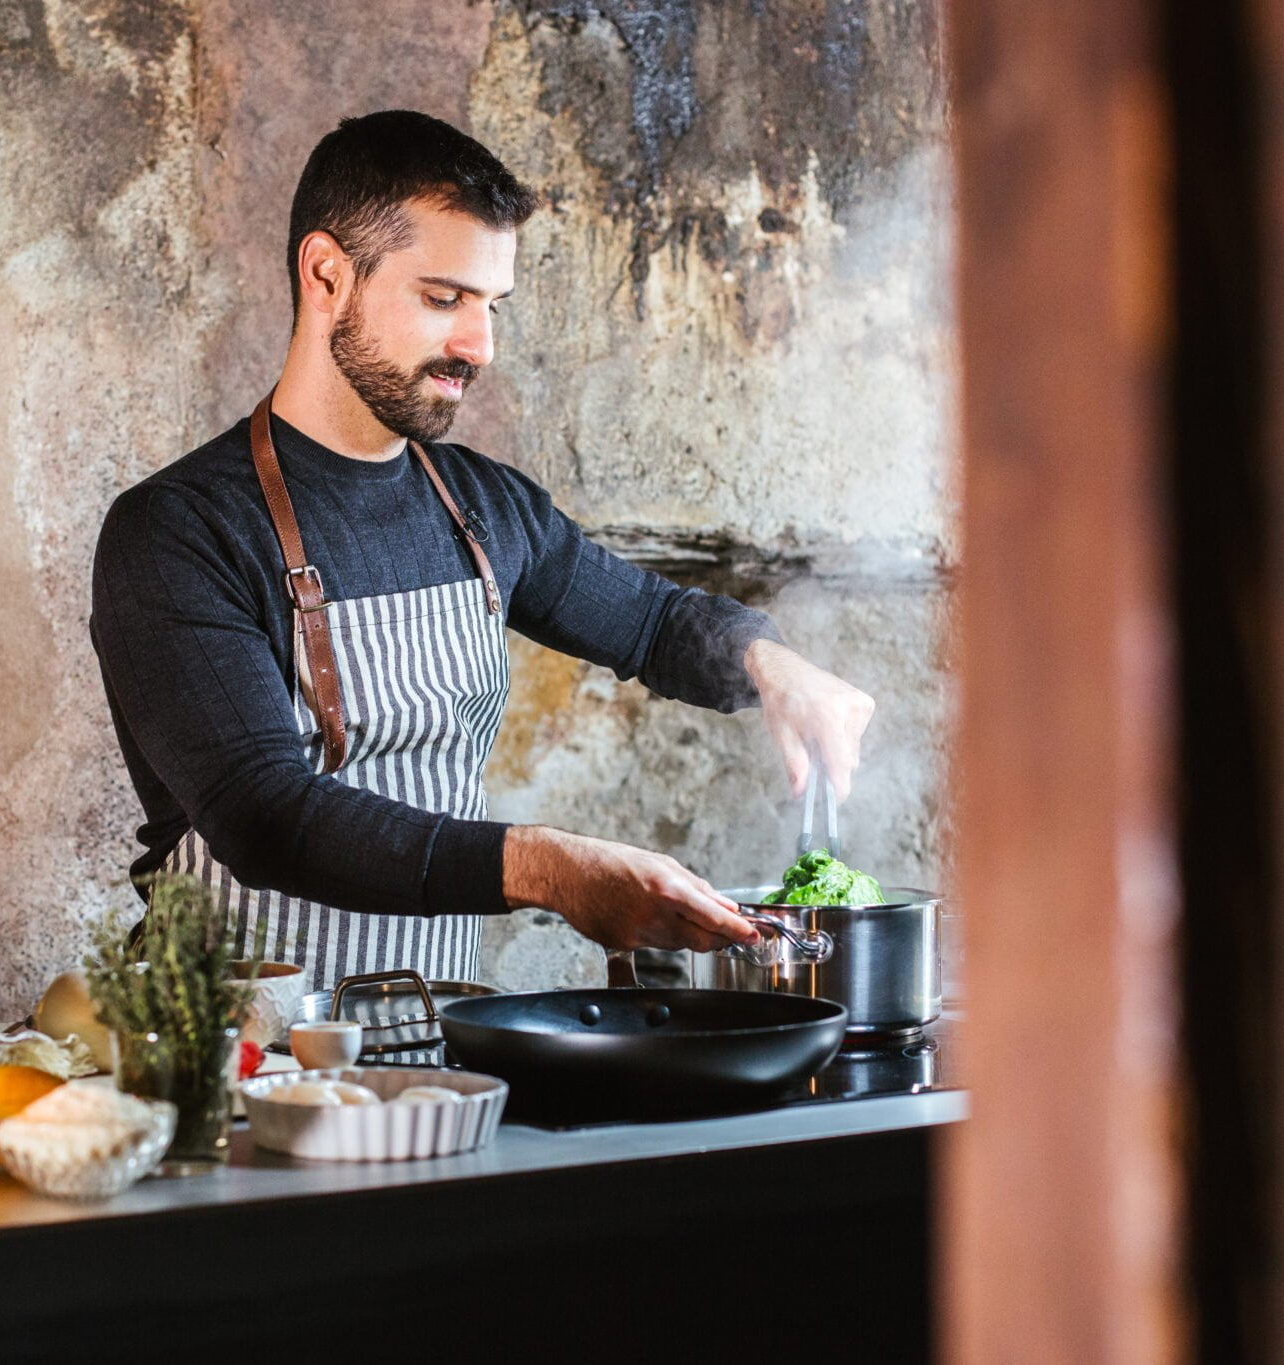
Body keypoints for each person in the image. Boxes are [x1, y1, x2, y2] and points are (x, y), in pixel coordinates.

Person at [91, 110, 875, 990]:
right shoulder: (179, 531)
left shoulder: (483, 506)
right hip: (231, 1070)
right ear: (326, 275)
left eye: (492, 305)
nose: (481, 346)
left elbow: (653, 623)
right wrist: (548, 866)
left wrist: (770, 663)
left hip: (435, 1056)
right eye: (443, 298)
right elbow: (267, 820)